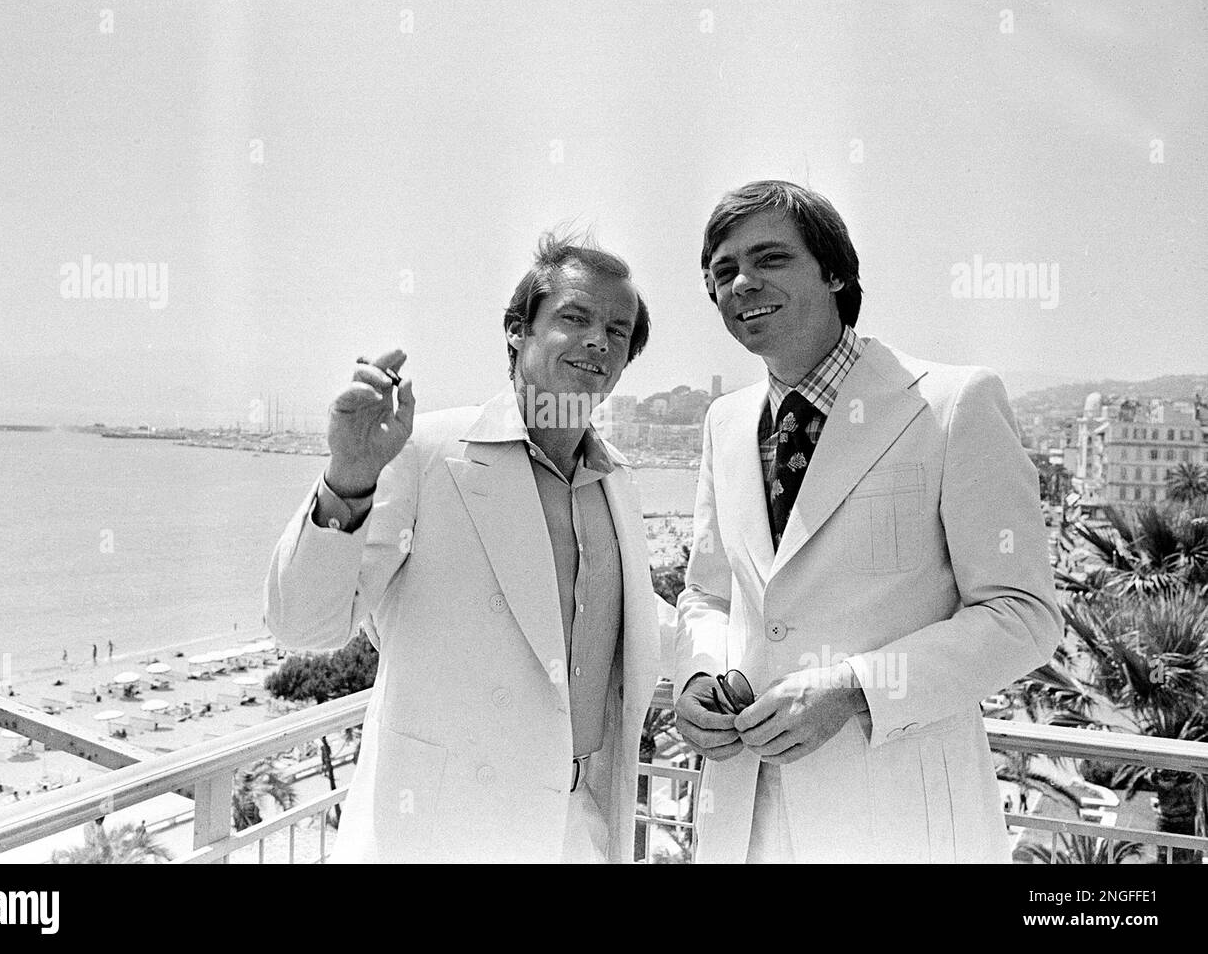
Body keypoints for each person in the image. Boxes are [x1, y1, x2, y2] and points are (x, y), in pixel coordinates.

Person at [673, 181, 1062, 862]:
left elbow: (1022, 614)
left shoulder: (952, 404)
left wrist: (855, 688)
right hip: (742, 817)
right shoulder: (723, 423)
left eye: (770, 259)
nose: (742, 283)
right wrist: (698, 677)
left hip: (896, 819)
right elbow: (709, 592)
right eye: (723, 271)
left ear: (835, 273)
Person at [266, 231, 672, 862]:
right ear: (518, 330)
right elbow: (305, 625)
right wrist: (348, 475)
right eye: (575, 317)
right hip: (442, 833)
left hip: (576, 827)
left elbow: (640, 630)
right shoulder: (426, 453)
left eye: (618, 330)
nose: (599, 339)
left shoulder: (616, 483)